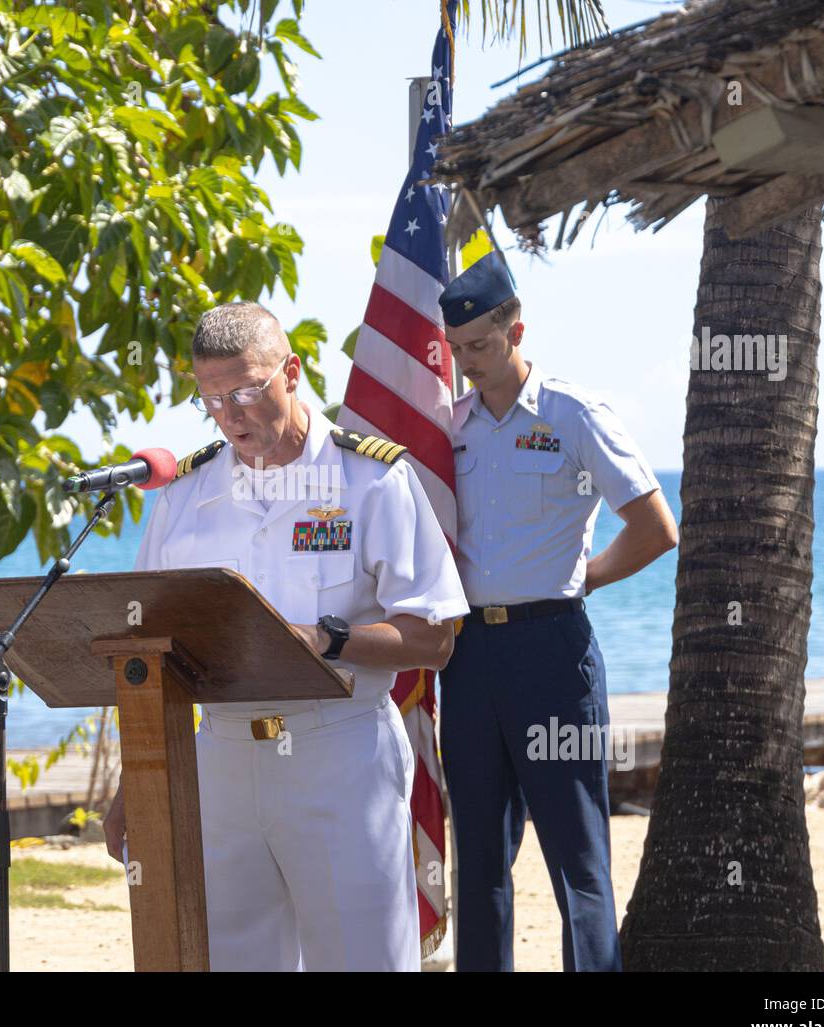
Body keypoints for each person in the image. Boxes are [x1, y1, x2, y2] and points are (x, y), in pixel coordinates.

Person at [103, 302, 469, 972]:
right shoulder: (185, 496)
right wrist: (135, 784)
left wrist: (326, 640)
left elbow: (434, 635)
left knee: (362, 961)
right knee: (232, 961)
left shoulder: (371, 479)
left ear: (291, 372)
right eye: (211, 399)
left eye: (245, 391)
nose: (230, 414)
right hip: (218, 760)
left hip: (339, 751)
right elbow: (149, 648)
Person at [437, 251, 679, 972]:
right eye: (457, 351)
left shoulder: (576, 415)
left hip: (552, 654)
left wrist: (584, 581)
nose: (468, 362)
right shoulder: (450, 428)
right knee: (477, 855)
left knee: (577, 855)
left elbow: (656, 528)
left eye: (479, 346)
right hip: (470, 658)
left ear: (516, 331)